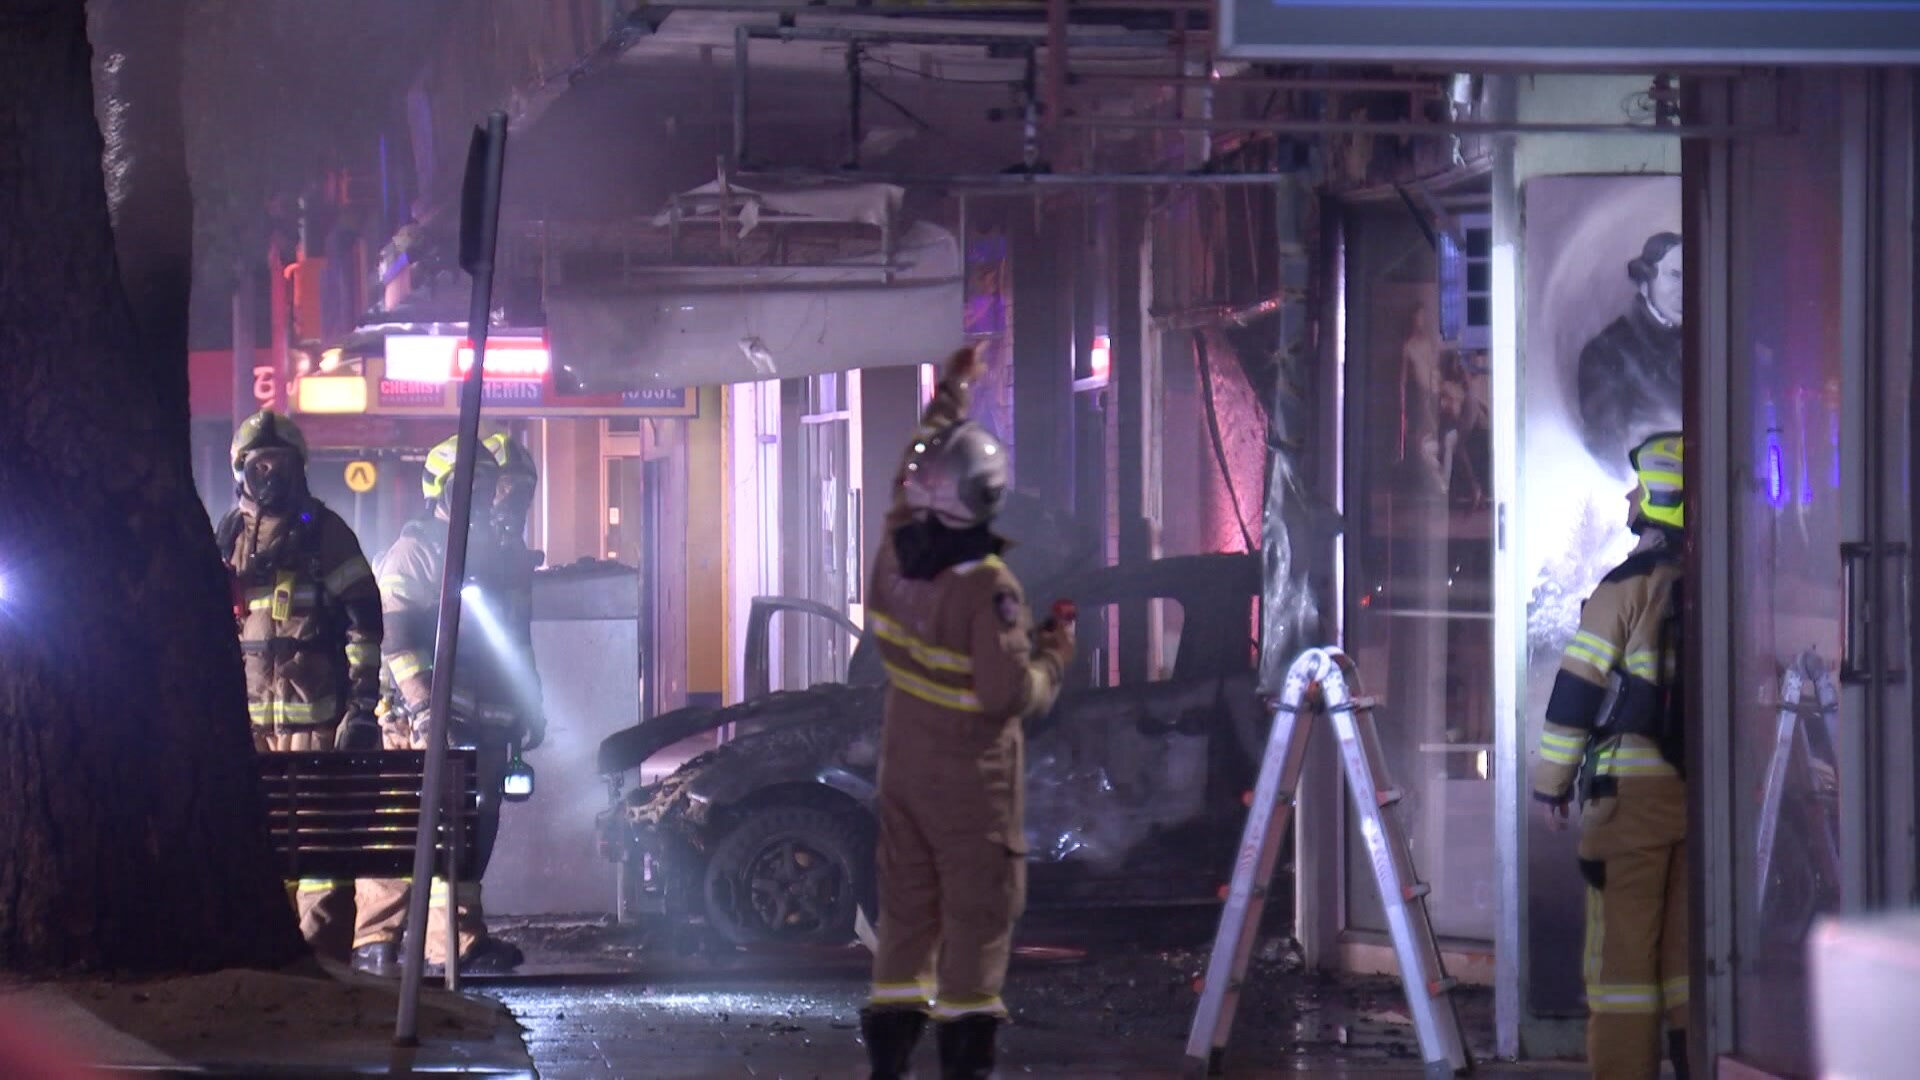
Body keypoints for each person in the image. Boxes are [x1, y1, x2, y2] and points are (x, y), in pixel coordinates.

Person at [860, 346, 1076, 1080]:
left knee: (905, 917)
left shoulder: (893, 553)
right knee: (978, 921)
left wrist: (952, 389)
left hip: (903, 767)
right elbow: (1006, 695)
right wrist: (1055, 656)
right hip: (971, 784)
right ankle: (964, 1065)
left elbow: (911, 467)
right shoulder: (989, 589)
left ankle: (888, 1063)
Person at [349, 433, 544, 977]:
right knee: (402, 824)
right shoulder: (417, 552)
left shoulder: (501, 558)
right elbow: (395, 639)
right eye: (468, 486)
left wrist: (531, 701)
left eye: (488, 486)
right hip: (422, 724)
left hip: (488, 721)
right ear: (440, 490)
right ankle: (375, 936)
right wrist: (424, 709)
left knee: (470, 829)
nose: (483, 497)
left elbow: (517, 640)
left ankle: (455, 940)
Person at [1534, 431, 1688, 1080]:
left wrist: (1550, 785)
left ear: (1659, 497)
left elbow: (1578, 691)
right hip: (1698, 801)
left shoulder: (1624, 589)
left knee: (1622, 967)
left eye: (1639, 486)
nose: (1629, 497)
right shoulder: (1716, 582)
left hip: (1629, 805)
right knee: (1686, 961)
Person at [218, 409, 383, 961]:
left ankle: (325, 966)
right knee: (259, 853)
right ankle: (272, 961)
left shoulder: (325, 534)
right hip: (249, 728)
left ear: (300, 468)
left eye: (281, 464)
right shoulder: (227, 536)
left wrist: (362, 704)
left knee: (320, 857)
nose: (271, 475)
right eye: (260, 464)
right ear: (241, 470)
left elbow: (364, 621)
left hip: (317, 724)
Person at [1575, 233, 1684, 472]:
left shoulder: (1708, 343)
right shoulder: (1606, 354)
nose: (1684, 290)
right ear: (1645, 284)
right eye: (1675, 276)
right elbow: (1609, 455)